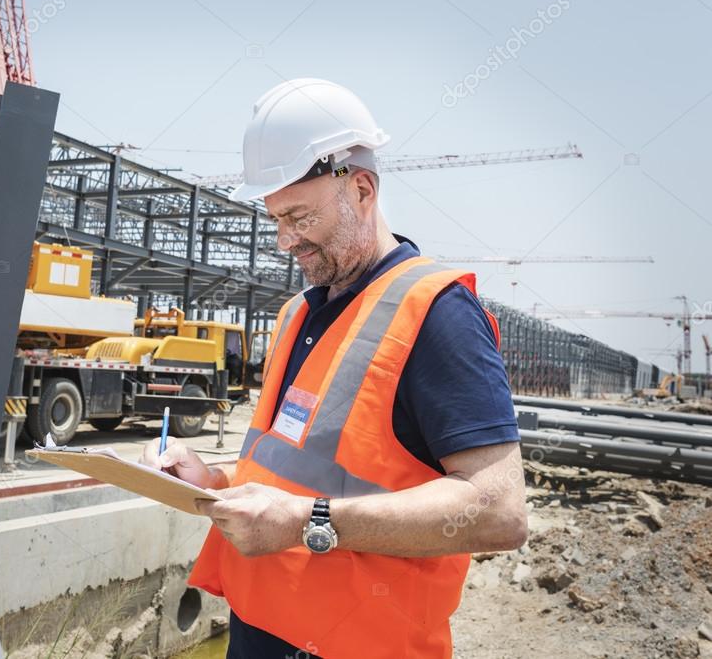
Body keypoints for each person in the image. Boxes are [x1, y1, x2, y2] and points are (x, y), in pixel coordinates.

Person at [140, 78, 527, 658]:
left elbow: (499, 510)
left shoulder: (437, 313)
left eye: (299, 217)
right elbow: (302, 462)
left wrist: (304, 523)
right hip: (260, 627)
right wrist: (215, 477)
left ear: (363, 190)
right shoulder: (300, 312)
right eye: (276, 219)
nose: (283, 241)